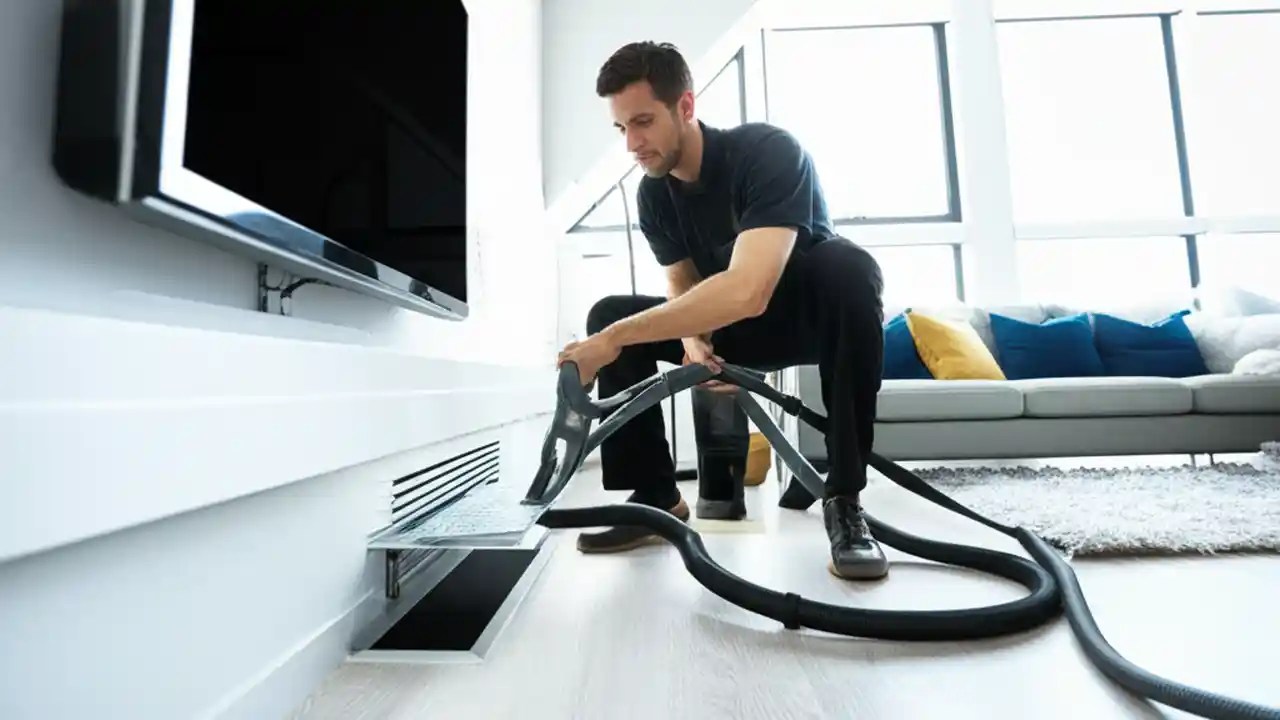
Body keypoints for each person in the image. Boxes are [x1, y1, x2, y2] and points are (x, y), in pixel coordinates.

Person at [556, 41, 888, 580]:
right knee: (608, 311)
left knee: (850, 268)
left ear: (685, 107)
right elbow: (683, 285)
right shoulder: (654, 195)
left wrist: (615, 338)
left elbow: (750, 289)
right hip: (736, 326)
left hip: (806, 316)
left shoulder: (768, 152)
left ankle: (845, 501)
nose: (632, 144)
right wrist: (693, 340)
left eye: (643, 122)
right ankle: (657, 498)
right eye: (622, 129)